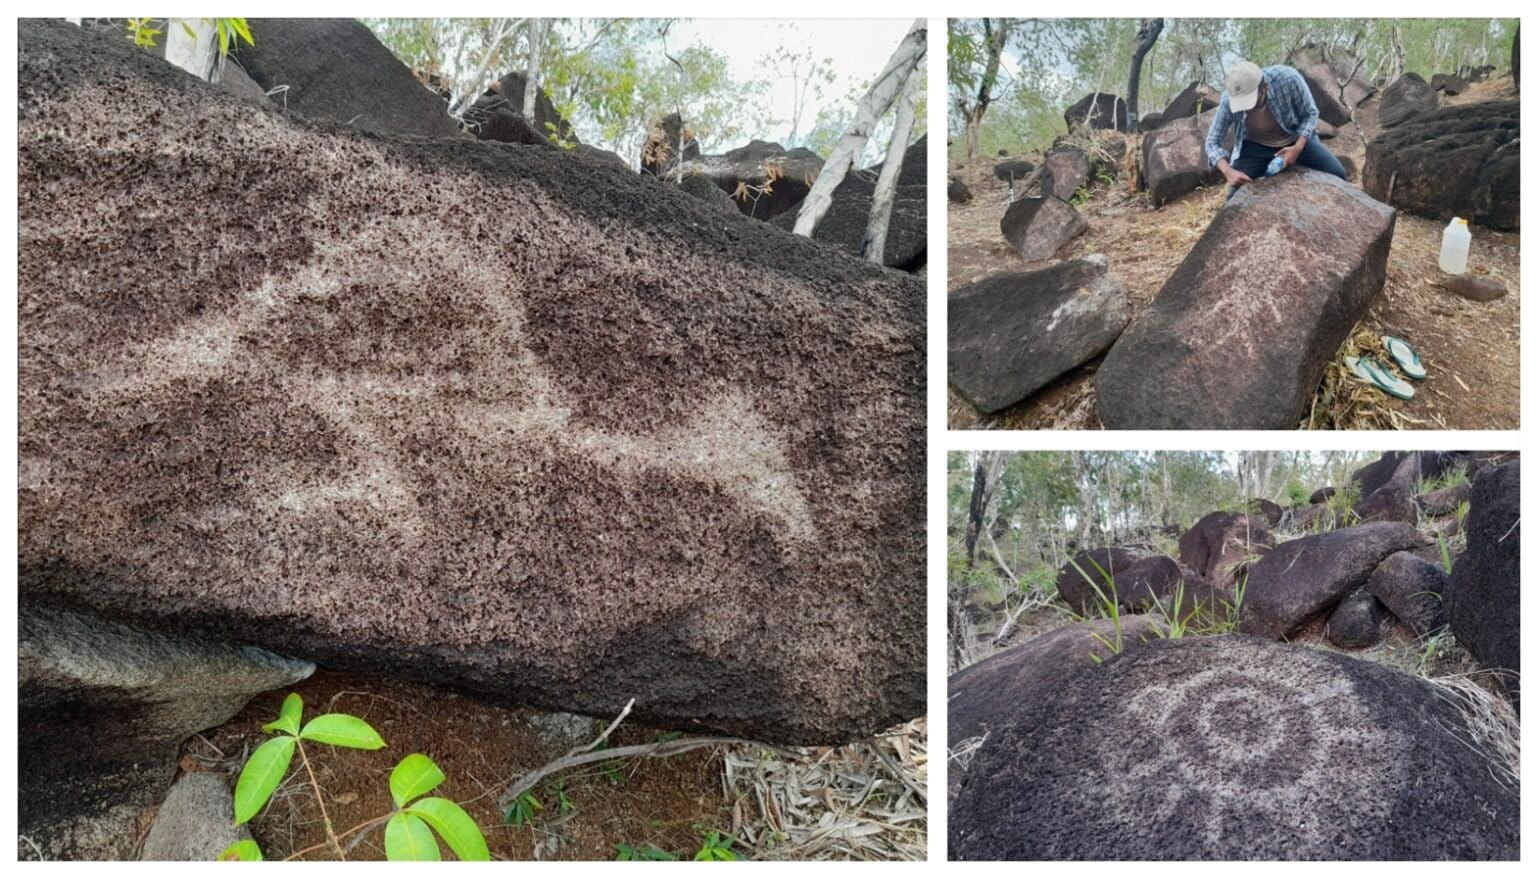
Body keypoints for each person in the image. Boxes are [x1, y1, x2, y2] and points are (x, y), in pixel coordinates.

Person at [1205, 60, 1349, 195]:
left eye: (1249, 102)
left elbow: (1310, 114)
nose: (1246, 109)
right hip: (1256, 147)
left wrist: (1298, 148)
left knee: (1337, 173)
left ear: (1264, 88)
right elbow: (1212, 141)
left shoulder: (1288, 79)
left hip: (1294, 137)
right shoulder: (1227, 100)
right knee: (1235, 196)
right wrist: (1228, 171)